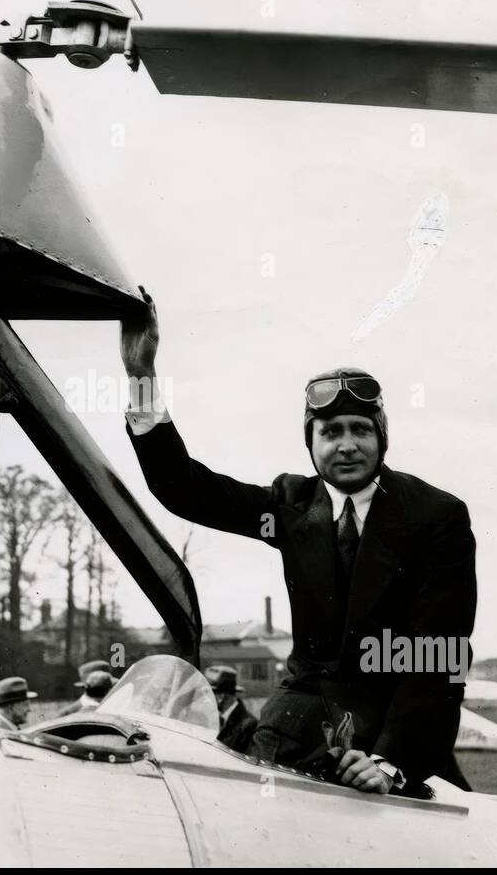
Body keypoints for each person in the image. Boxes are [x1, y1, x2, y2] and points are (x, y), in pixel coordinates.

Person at [120, 288, 476, 794]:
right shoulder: (290, 504)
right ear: (311, 442)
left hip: (392, 727)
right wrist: (141, 375)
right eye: (330, 431)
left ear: (383, 437)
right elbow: (185, 489)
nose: (347, 444)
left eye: (360, 429)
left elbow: (437, 654)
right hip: (299, 716)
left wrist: (392, 764)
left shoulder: (436, 516)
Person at [206, 665, 259, 754]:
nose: (205, 700)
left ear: (220, 697)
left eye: (208, 694)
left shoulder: (248, 725)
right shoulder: (216, 719)